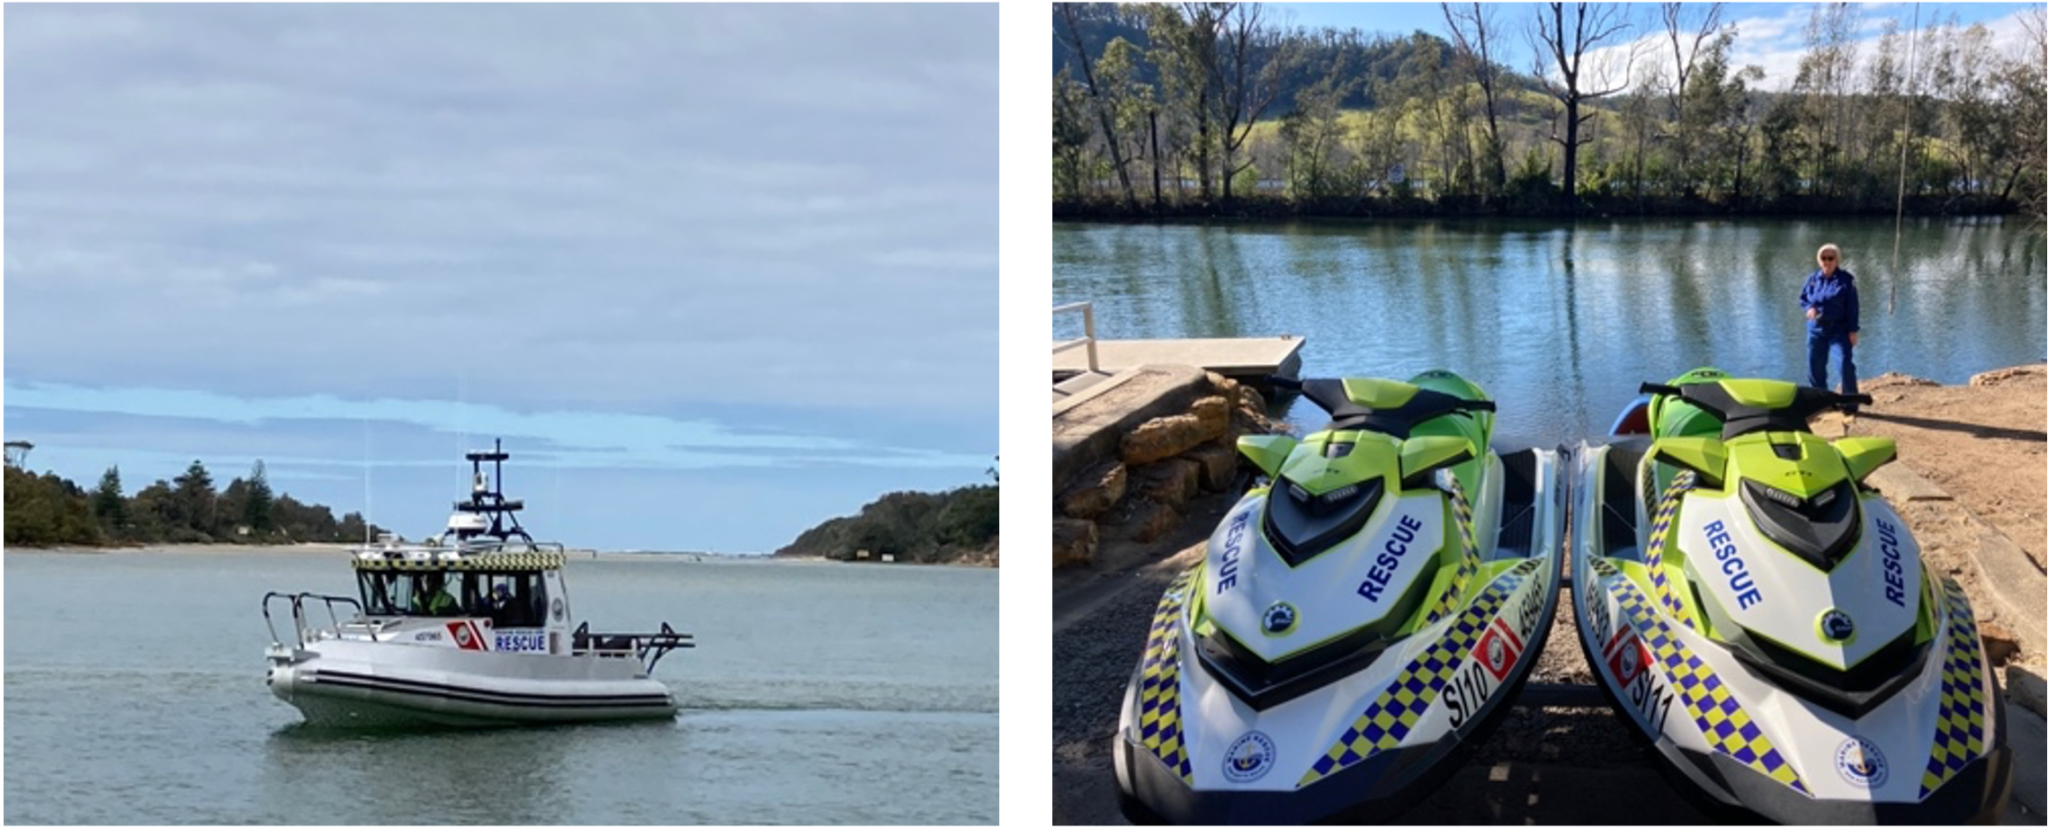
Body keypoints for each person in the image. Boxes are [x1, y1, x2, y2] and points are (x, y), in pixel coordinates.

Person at [1799, 243, 1861, 410]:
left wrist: (1853, 331)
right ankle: (1820, 402)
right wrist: (1809, 308)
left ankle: (1850, 404)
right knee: (1815, 367)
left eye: (1830, 258)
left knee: (1844, 364)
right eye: (1823, 258)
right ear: (1819, 260)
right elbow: (1803, 298)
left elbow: (1853, 307)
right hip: (1816, 329)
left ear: (1837, 260)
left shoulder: (1846, 280)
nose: (1827, 261)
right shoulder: (1812, 279)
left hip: (1838, 329)